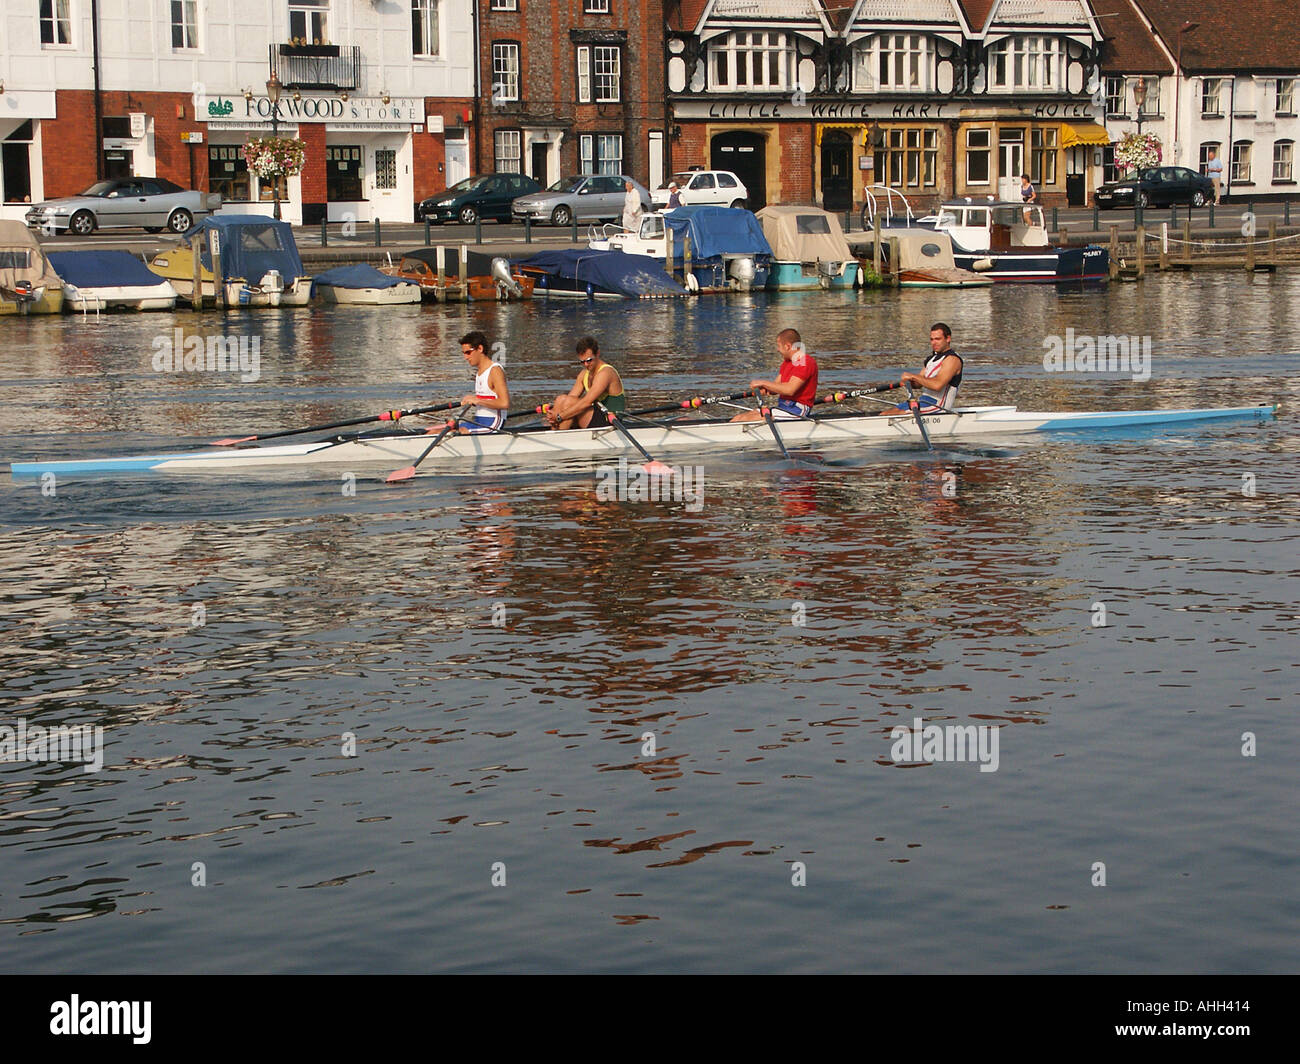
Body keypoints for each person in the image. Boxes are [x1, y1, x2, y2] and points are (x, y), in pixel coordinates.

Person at [731, 328, 819, 423]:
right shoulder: (787, 363)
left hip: (796, 410)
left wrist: (763, 382)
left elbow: (790, 390)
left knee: (745, 420)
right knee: (738, 418)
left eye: (779, 346)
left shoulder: (805, 362)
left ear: (787, 346)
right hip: (783, 407)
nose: (778, 349)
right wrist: (763, 389)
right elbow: (776, 387)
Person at [878, 322, 962, 415]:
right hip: (924, 402)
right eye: (932, 339)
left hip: (939, 407)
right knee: (885, 413)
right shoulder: (931, 359)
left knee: (890, 415)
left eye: (938, 339)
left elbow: (937, 385)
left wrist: (913, 376)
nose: (934, 343)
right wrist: (909, 382)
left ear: (948, 339)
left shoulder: (952, 359)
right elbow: (918, 384)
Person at [545, 336, 626, 429]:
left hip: (609, 420)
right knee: (561, 399)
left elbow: (586, 402)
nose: (586, 365)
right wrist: (554, 414)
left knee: (568, 404)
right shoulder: (584, 374)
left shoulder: (606, 373)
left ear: (598, 353)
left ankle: (558, 438)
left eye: (589, 360)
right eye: (582, 362)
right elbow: (569, 398)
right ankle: (555, 434)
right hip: (594, 416)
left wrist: (559, 417)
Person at [456, 330, 509, 433]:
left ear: (480, 348)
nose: (465, 357)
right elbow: (486, 400)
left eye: (468, 352)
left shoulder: (495, 370)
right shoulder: (479, 372)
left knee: (455, 431)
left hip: (493, 424)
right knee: (444, 428)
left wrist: (477, 401)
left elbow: (504, 403)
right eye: (464, 353)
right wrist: (471, 401)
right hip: (479, 421)